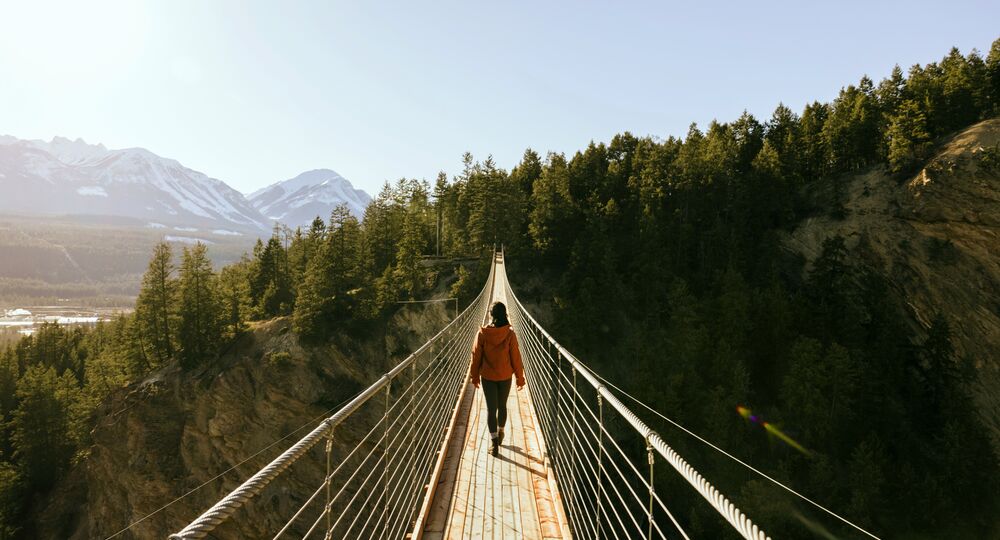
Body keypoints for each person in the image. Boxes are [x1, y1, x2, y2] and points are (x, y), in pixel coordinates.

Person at [470, 301, 525, 457]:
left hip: (488, 377)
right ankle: (501, 432)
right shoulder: (510, 334)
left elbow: (476, 356)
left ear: (491, 315)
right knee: (502, 406)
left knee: (491, 409)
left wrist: (475, 377)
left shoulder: (482, 333)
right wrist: (520, 378)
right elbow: (516, 357)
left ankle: (494, 444)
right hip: (505, 376)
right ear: (504, 314)